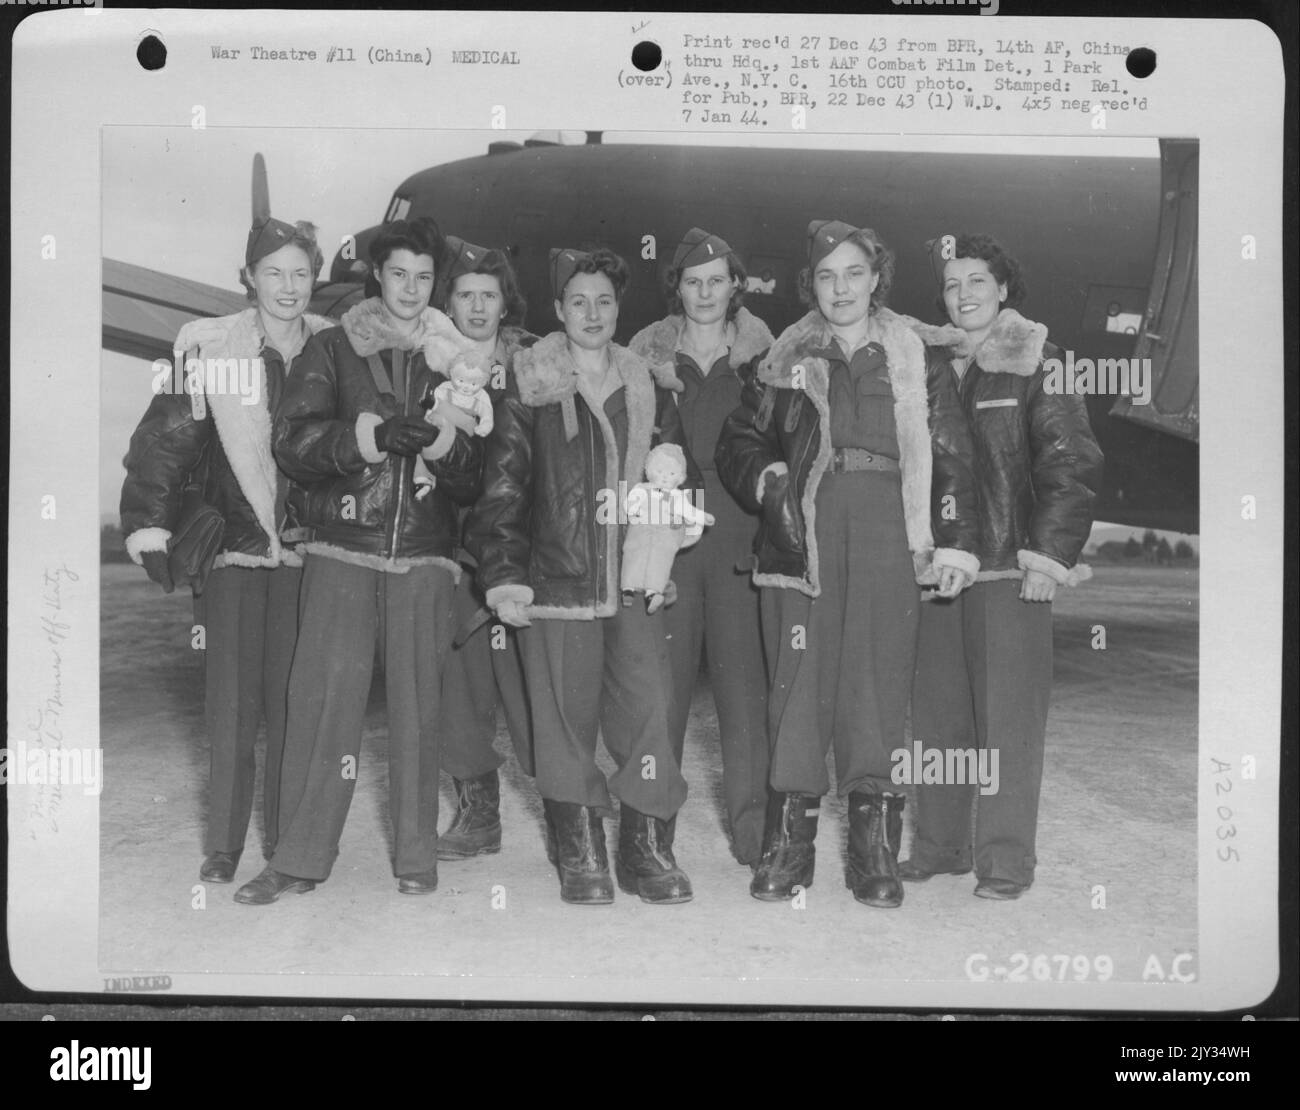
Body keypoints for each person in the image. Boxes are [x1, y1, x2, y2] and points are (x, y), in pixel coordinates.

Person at [715, 219, 980, 908]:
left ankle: (873, 851)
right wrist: (770, 476)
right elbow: (737, 441)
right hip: (805, 531)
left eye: (854, 273)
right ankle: (788, 845)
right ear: (812, 285)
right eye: (827, 276)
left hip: (891, 529)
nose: (841, 288)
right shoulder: (783, 358)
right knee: (799, 683)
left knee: (875, 682)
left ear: (876, 279)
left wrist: (952, 541)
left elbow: (952, 454)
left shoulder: (915, 355)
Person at [234, 216, 483, 904]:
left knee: (419, 710)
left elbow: (476, 474)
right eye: (398, 274)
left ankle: (415, 855)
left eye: (424, 277)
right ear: (378, 276)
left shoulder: (458, 358)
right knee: (322, 706)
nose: (410, 288)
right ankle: (298, 859)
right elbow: (293, 441)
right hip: (344, 548)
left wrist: (440, 445)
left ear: (438, 283)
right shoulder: (334, 347)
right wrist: (367, 439)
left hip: (425, 556)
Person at [465, 247, 699, 905]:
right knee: (564, 720)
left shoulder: (646, 380)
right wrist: (504, 576)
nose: (592, 314)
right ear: (558, 310)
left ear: (619, 309)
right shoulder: (529, 381)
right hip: (556, 580)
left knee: (649, 707)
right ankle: (582, 850)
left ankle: (646, 848)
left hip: (632, 579)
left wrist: (667, 543)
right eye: (578, 302)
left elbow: (681, 477)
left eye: (604, 301)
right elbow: (503, 488)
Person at [120, 199, 330, 887]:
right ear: (249, 277)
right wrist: (148, 525)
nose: (288, 287)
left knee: (295, 705)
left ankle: (284, 842)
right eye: (274, 272)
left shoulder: (335, 348)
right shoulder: (209, 346)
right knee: (231, 704)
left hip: (312, 557)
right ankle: (223, 844)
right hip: (237, 554)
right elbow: (165, 441)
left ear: (315, 278)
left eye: (300, 272)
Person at [901, 233, 1103, 900]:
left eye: (977, 282)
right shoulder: (928, 366)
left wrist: (1048, 555)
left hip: (1010, 573)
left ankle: (1007, 860)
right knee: (939, 719)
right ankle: (939, 845)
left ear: (1004, 290)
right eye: (953, 285)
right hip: (940, 573)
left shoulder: (1042, 362)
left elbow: (1070, 463)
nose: (963, 295)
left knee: (1009, 724)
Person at [628, 228, 774, 865]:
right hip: (670, 533)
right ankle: (652, 832)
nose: (706, 292)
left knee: (746, 692)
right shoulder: (645, 359)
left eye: (718, 280)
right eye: (693, 281)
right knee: (661, 693)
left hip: (742, 529)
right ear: (677, 288)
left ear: (736, 285)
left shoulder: (769, 359)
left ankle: (754, 834)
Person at [434, 236, 538, 861]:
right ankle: (479, 811)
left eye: (489, 296)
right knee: (458, 683)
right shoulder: (428, 359)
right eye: (465, 295)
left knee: (536, 682)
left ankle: (564, 802)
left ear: (506, 304)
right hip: (450, 540)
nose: (477, 307)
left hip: (520, 539)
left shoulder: (536, 362)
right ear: (448, 303)